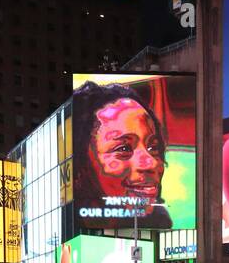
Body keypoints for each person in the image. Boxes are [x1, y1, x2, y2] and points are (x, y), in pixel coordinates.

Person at [72, 80, 172, 229]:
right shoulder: (58, 229)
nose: (151, 163)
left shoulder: (159, 223)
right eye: (124, 149)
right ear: (79, 167)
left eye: (153, 147)